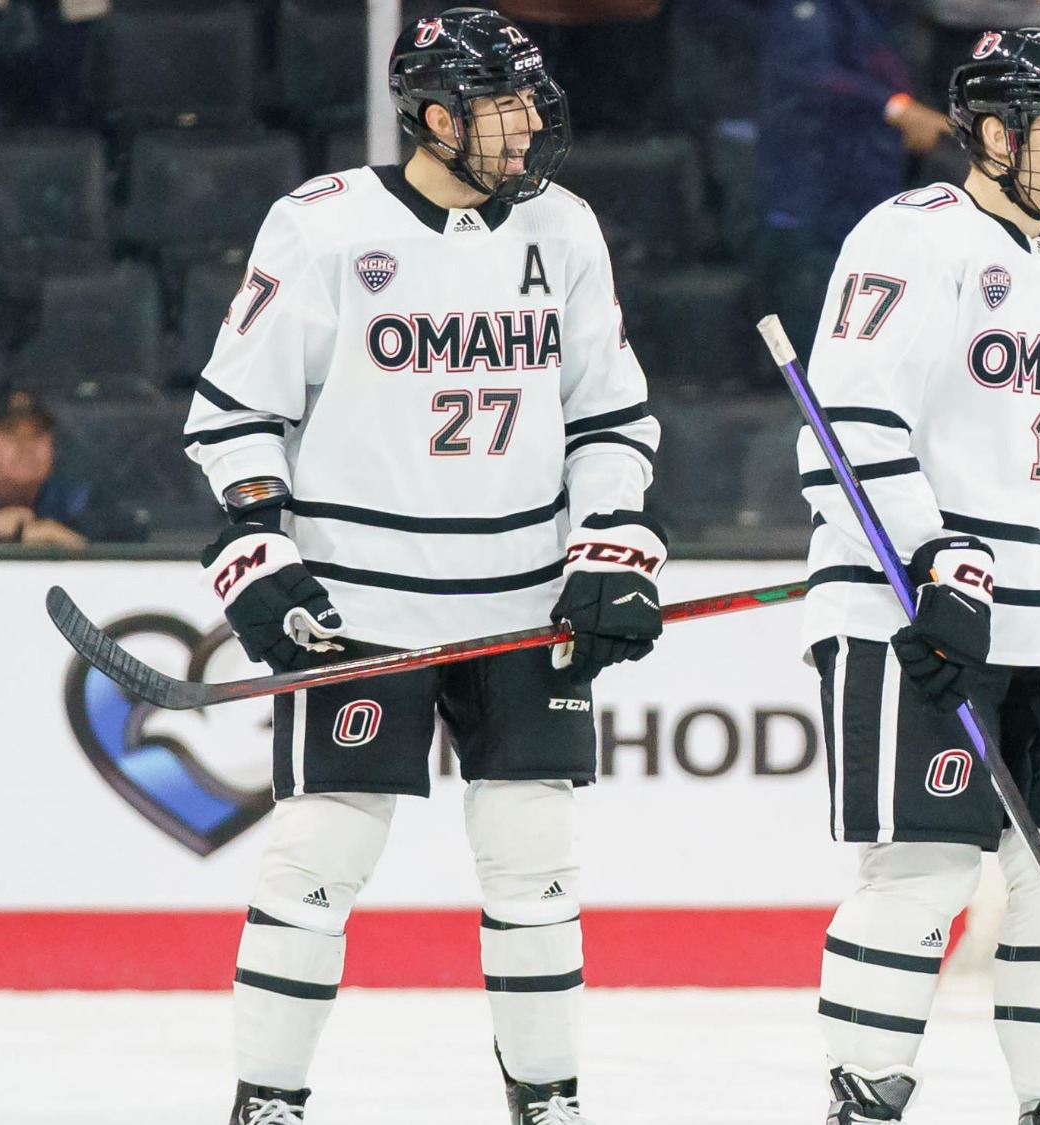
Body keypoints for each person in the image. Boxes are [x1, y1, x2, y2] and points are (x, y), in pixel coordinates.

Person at [183, 10, 663, 1124]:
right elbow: (233, 415)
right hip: (363, 603)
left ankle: (547, 1099)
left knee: (535, 869)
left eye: (534, 101)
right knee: (314, 863)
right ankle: (269, 1101)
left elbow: (610, 418)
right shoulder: (321, 226)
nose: (533, 125)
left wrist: (607, 545)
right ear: (434, 116)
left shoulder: (567, 228)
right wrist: (260, 551)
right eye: (505, 105)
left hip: (523, 601)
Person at [797, 29, 1040, 1125]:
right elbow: (845, 424)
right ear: (988, 132)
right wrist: (932, 556)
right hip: (912, 616)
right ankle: (865, 1097)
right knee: (921, 874)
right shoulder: (909, 236)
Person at [756, 0, 952, 352]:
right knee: (816, 293)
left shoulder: (880, 12)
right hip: (815, 175)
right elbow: (809, 72)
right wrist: (895, 108)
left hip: (869, 174)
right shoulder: (811, 8)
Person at [0, 389, 138, 546]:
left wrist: (67, 539)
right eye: (10, 434)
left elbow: (133, 534)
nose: (26, 446)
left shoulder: (78, 499)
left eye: (37, 436)